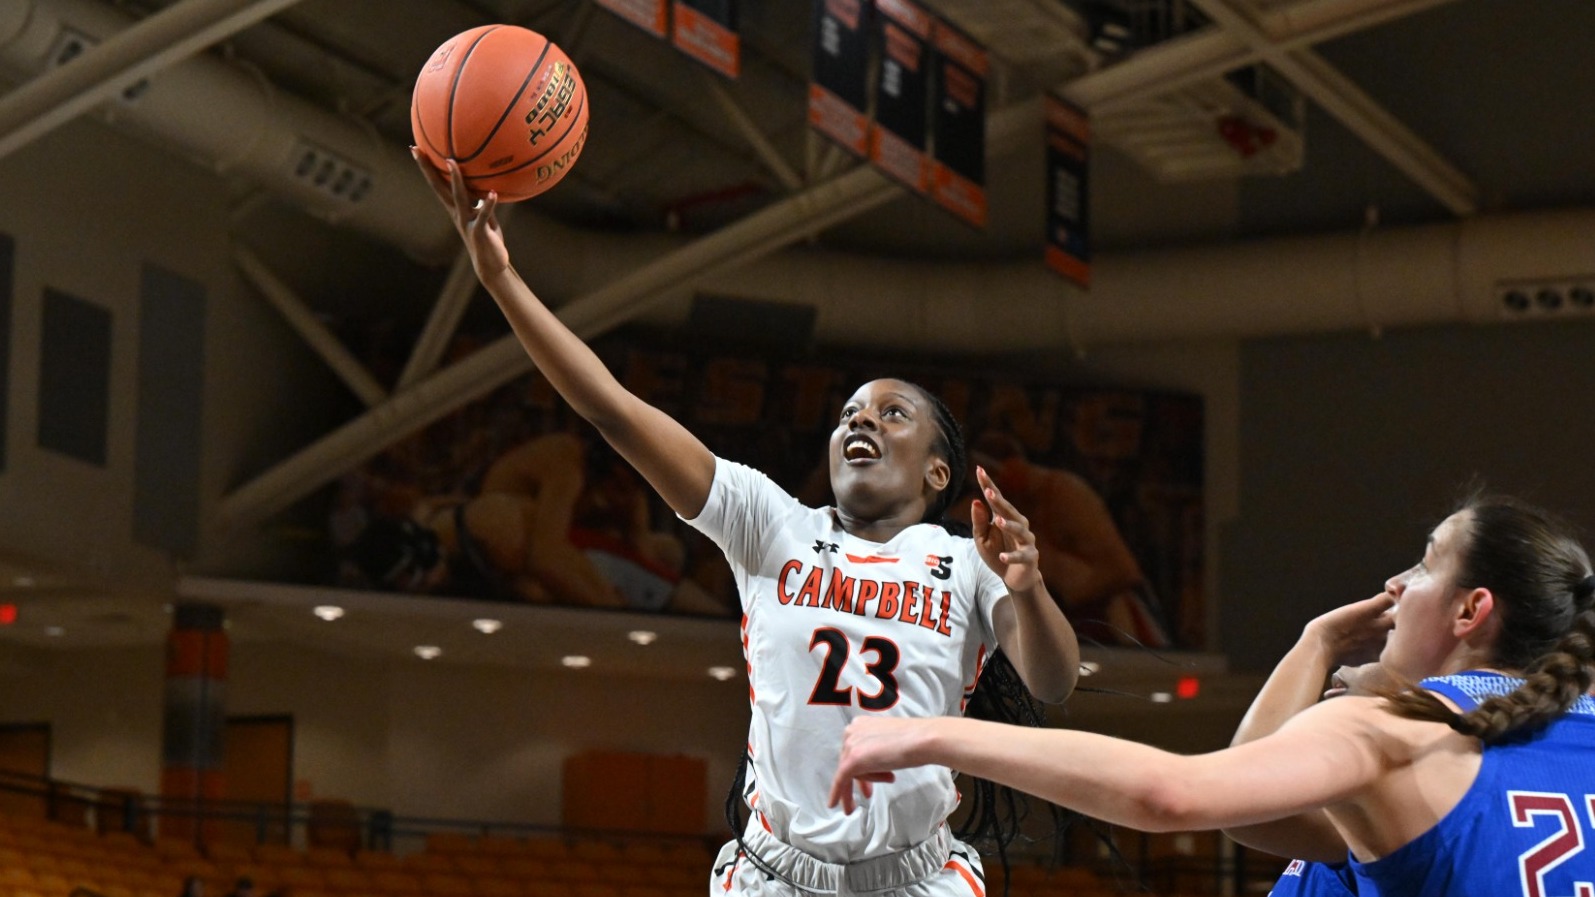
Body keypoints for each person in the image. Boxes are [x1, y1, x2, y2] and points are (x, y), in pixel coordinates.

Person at [414, 153, 1081, 896]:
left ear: (936, 472)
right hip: (775, 874)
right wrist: (500, 279)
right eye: (848, 414)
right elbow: (612, 409)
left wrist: (1028, 589)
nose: (860, 420)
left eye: (891, 413)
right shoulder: (769, 522)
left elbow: (1051, 681)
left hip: (914, 877)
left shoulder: (965, 562)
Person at [831, 491, 1595, 896]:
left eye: (1425, 563)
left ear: (1470, 610)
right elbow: (1257, 812)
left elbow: (1174, 792)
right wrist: (1315, 644)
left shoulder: (1399, 731)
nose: (1395, 583)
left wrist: (931, 732)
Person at [963, 431, 1171, 647]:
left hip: (1106, 614)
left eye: (995, 476)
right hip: (1048, 618)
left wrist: (1066, 586)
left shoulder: (1066, 493)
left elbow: (1124, 571)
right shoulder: (989, 506)